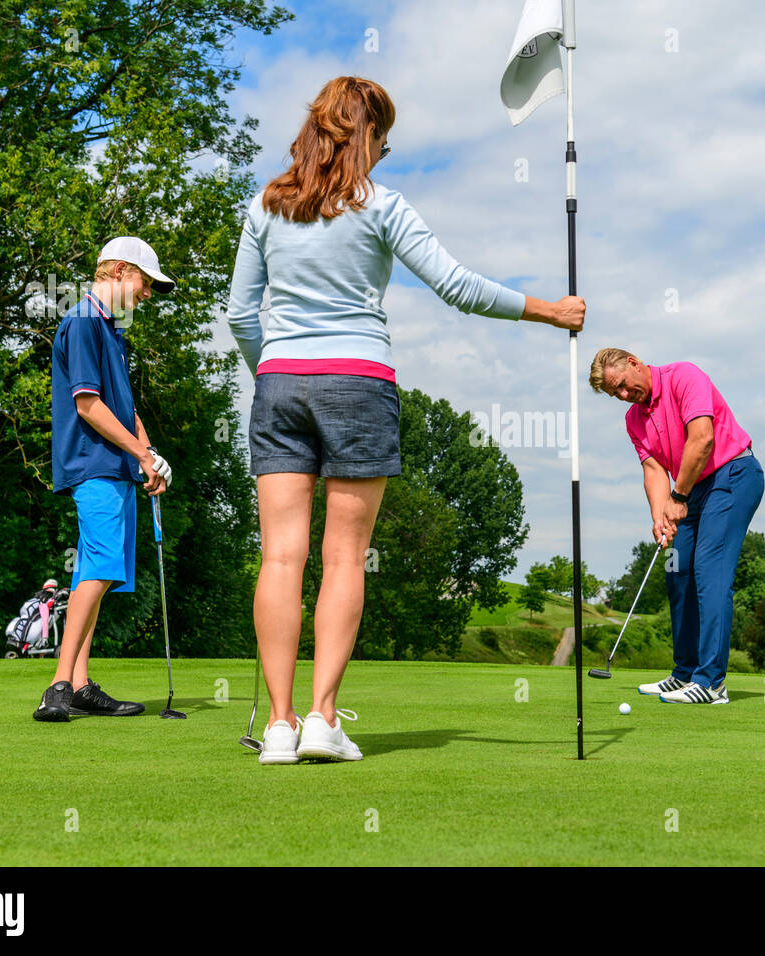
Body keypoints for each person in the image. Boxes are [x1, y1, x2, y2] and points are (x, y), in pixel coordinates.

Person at [226, 75, 584, 764]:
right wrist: (551, 310)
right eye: (383, 144)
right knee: (342, 558)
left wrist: (272, 373)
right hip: (358, 383)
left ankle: (279, 727)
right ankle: (323, 722)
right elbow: (456, 286)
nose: (384, 156)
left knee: (279, 557)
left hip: (280, 386)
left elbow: (242, 314)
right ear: (368, 138)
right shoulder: (383, 206)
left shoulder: (264, 206)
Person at [36, 237, 176, 721]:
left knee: (93, 573)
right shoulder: (81, 321)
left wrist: (148, 453)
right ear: (118, 271)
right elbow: (88, 405)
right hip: (93, 463)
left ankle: (79, 684)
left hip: (115, 465)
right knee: (97, 569)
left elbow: (122, 405)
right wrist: (139, 452)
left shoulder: (111, 330)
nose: (148, 294)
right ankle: (57, 683)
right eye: (145, 282)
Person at [589, 348, 763, 704]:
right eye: (614, 395)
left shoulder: (684, 376)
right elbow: (653, 471)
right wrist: (660, 517)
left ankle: (712, 683)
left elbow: (703, 440)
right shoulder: (634, 419)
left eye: (622, 385)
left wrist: (678, 499)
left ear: (634, 363)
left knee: (708, 569)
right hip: (692, 489)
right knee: (677, 570)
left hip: (732, 474)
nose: (623, 396)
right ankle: (685, 672)